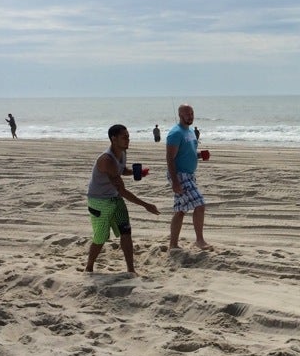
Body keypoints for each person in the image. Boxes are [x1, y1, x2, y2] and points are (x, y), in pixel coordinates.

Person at [86, 124, 160, 275]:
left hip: (115, 198)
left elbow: (121, 170)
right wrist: (146, 205)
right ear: (114, 139)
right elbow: (122, 190)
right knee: (100, 238)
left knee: (126, 232)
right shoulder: (107, 160)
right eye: (124, 137)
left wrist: (136, 172)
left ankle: (131, 270)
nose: (128, 140)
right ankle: (89, 267)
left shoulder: (122, 153)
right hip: (99, 201)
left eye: (128, 137)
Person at [166, 104, 211, 250]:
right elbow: (170, 159)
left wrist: (199, 155)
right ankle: (199, 240)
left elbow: (186, 153)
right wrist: (175, 182)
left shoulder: (190, 131)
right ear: (180, 115)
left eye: (191, 113)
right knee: (200, 204)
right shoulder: (175, 133)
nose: (190, 116)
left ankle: (173, 244)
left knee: (181, 210)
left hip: (189, 175)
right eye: (187, 114)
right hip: (180, 175)